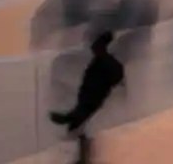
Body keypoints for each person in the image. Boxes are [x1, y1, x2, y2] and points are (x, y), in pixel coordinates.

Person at [49, 31, 126, 162]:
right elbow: (118, 81)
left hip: (93, 97)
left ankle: (84, 156)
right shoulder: (107, 62)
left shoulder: (105, 61)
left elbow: (115, 79)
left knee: (79, 122)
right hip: (92, 97)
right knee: (79, 122)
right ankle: (83, 154)